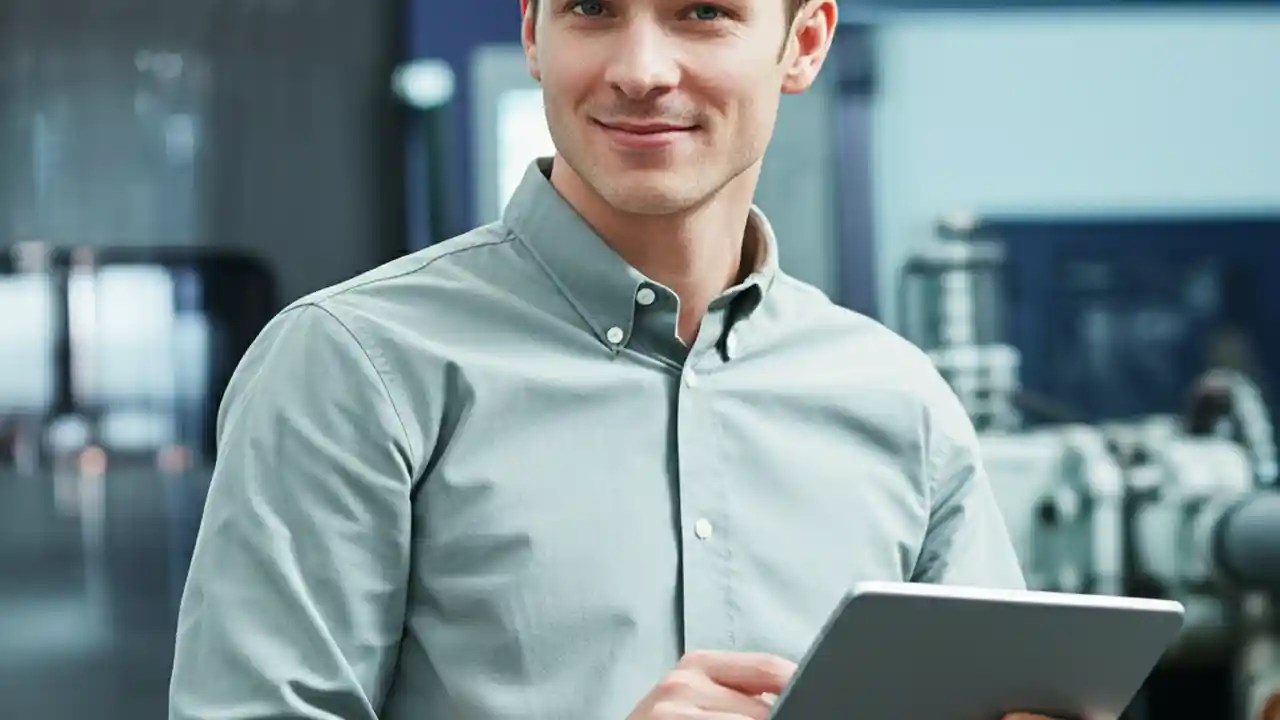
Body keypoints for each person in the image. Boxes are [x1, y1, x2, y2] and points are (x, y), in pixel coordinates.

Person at [168, 1, 1057, 718]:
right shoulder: (354, 367)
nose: (639, 69)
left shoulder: (900, 400)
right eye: (592, 9)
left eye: (702, 13)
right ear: (532, 33)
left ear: (805, 42)